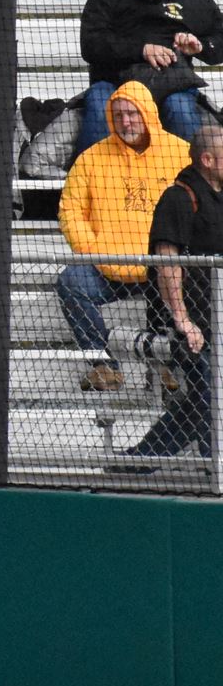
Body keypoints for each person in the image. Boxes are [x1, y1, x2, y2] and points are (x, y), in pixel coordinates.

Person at [58, 80, 191, 392]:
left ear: (147, 113)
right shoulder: (91, 158)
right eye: (118, 115)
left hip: (161, 262)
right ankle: (104, 365)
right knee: (71, 282)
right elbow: (70, 209)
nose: (126, 121)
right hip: (108, 262)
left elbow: (194, 206)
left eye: (132, 113)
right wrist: (91, 250)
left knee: (178, 278)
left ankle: (168, 366)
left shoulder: (180, 153)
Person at [122, 126, 223, 462]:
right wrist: (183, 320)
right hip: (188, 327)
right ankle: (216, 468)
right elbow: (168, 266)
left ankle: (141, 460)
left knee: (203, 401)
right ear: (208, 160)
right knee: (211, 397)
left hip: (217, 323)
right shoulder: (179, 198)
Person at [76, 0, 217, 150]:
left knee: (180, 108)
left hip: (172, 86)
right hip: (116, 84)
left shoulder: (191, 1)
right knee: (100, 103)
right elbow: (91, 44)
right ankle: (93, 174)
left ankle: (190, 180)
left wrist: (200, 46)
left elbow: (218, 42)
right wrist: (140, 50)